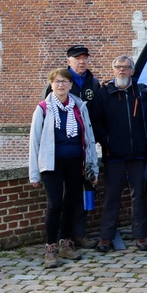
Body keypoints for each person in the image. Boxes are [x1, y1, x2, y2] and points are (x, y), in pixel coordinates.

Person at [29, 68, 99, 269]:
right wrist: (34, 173)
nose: (61, 85)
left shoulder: (79, 106)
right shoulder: (43, 108)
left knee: (71, 202)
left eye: (65, 82)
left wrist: (92, 167)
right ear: (51, 85)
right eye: (57, 82)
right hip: (52, 163)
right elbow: (34, 142)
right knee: (55, 205)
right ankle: (50, 247)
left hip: (76, 161)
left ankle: (65, 243)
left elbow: (89, 137)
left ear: (70, 85)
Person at [89, 56, 147, 253]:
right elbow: (95, 123)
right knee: (111, 197)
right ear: (113, 70)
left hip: (138, 154)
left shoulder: (141, 92)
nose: (122, 71)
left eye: (126, 67)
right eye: (118, 67)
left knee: (139, 196)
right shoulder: (103, 94)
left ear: (132, 71)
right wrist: (108, 142)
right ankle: (106, 237)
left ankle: (140, 235)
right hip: (114, 154)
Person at [42, 44, 100, 248]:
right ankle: (56, 240)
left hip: (82, 150)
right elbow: (45, 123)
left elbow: (97, 115)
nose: (81, 61)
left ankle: (77, 235)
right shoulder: (58, 85)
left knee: (80, 196)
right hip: (57, 156)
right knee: (57, 202)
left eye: (84, 57)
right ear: (69, 61)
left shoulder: (93, 82)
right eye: (77, 58)